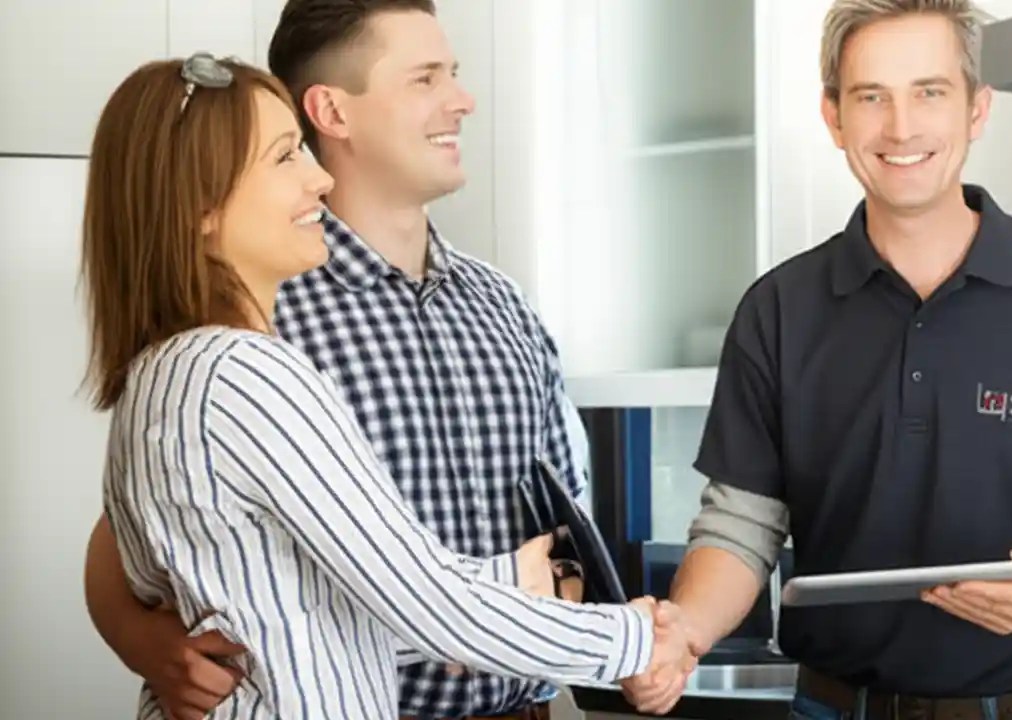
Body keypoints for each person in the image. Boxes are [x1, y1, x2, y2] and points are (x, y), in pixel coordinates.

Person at [621, 1, 1012, 718]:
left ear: (976, 109)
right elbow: (739, 528)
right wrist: (685, 631)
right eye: (872, 96)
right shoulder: (778, 309)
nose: (901, 128)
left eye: (929, 92)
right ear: (834, 116)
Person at [80, 53, 690, 720]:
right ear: (199, 206)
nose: (316, 179)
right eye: (285, 157)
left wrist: (517, 580)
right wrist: (631, 639)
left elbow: (299, 612)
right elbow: (424, 600)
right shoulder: (248, 374)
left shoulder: (158, 375)